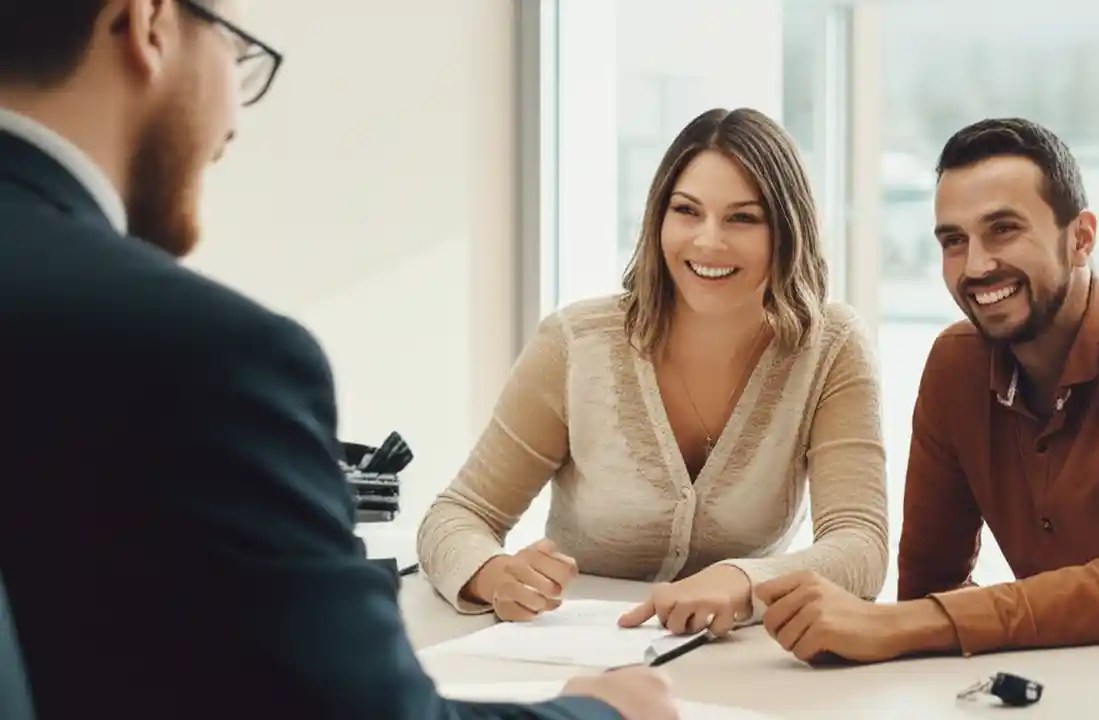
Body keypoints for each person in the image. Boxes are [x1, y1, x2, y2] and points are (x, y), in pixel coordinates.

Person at [0, 1, 675, 718]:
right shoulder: (202, 354)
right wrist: (607, 714)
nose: (235, 113)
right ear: (149, 25)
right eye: (236, 47)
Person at [756, 117, 1099, 664]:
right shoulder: (957, 366)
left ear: (1081, 238)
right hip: (1068, 690)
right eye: (954, 241)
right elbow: (928, 583)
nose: (976, 265)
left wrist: (912, 623)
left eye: (1003, 229)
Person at [418, 107, 889, 638]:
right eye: (687, 211)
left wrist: (742, 580)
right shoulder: (576, 344)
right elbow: (457, 515)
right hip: (575, 659)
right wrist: (494, 574)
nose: (708, 241)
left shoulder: (832, 346)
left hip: (743, 662)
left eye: (743, 218)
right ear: (658, 218)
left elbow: (860, 542)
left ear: (787, 229)